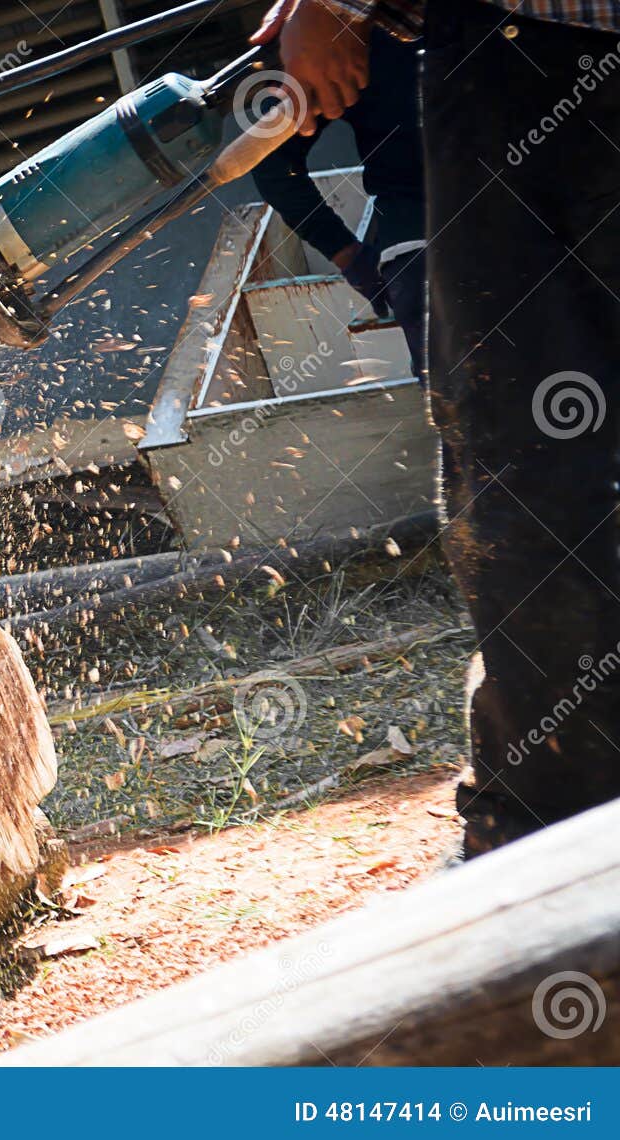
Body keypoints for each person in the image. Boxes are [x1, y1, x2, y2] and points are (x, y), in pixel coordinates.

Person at [254, 0, 620, 858]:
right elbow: (273, 164)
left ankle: (546, 844)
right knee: (533, 464)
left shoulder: (373, 45)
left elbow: (274, 167)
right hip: (443, 212)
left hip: (504, 109)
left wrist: (326, 4)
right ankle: (552, 833)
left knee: (527, 467)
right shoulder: (390, 46)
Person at [249, 29, 424, 373]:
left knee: (467, 404)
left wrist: (346, 253)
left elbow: (270, 163)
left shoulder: (344, 26)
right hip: (534, 220)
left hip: (420, 249)